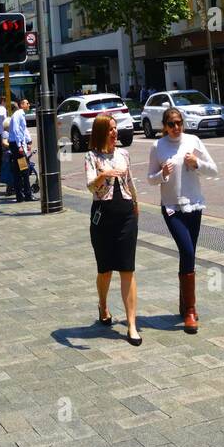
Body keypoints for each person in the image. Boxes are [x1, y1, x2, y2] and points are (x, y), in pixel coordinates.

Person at [148, 106, 218, 334]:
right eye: (171, 124)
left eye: (179, 123)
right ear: (164, 126)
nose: (176, 127)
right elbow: (150, 179)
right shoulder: (157, 147)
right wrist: (162, 175)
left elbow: (213, 170)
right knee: (187, 251)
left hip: (194, 204)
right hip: (171, 208)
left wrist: (197, 164)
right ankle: (190, 310)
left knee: (188, 253)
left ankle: (183, 303)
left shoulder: (193, 141)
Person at [85, 114, 141, 345]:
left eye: (115, 128)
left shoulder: (123, 154)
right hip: (103, 217)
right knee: (105, 269)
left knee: (127, 268)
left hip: (126, 214)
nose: (114, 132)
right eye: (110, 129)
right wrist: (103, 175)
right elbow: (90, 186)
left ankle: (131, 325)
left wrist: (136, 204)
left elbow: (129, 181)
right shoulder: (91, 156)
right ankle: (103, 305)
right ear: (100, 132)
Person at [8, 99, 34, 203]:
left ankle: (21, 195)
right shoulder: (18, 115)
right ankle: (27, 195)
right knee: (24, 169)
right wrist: (20, 145)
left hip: (17, 145)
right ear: (22, 105)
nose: (29, 105)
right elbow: (16, 130)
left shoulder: (21, 114)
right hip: (16, 145)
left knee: (19, 170)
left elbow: (24, 129)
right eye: (27, 103)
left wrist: (28, 141)